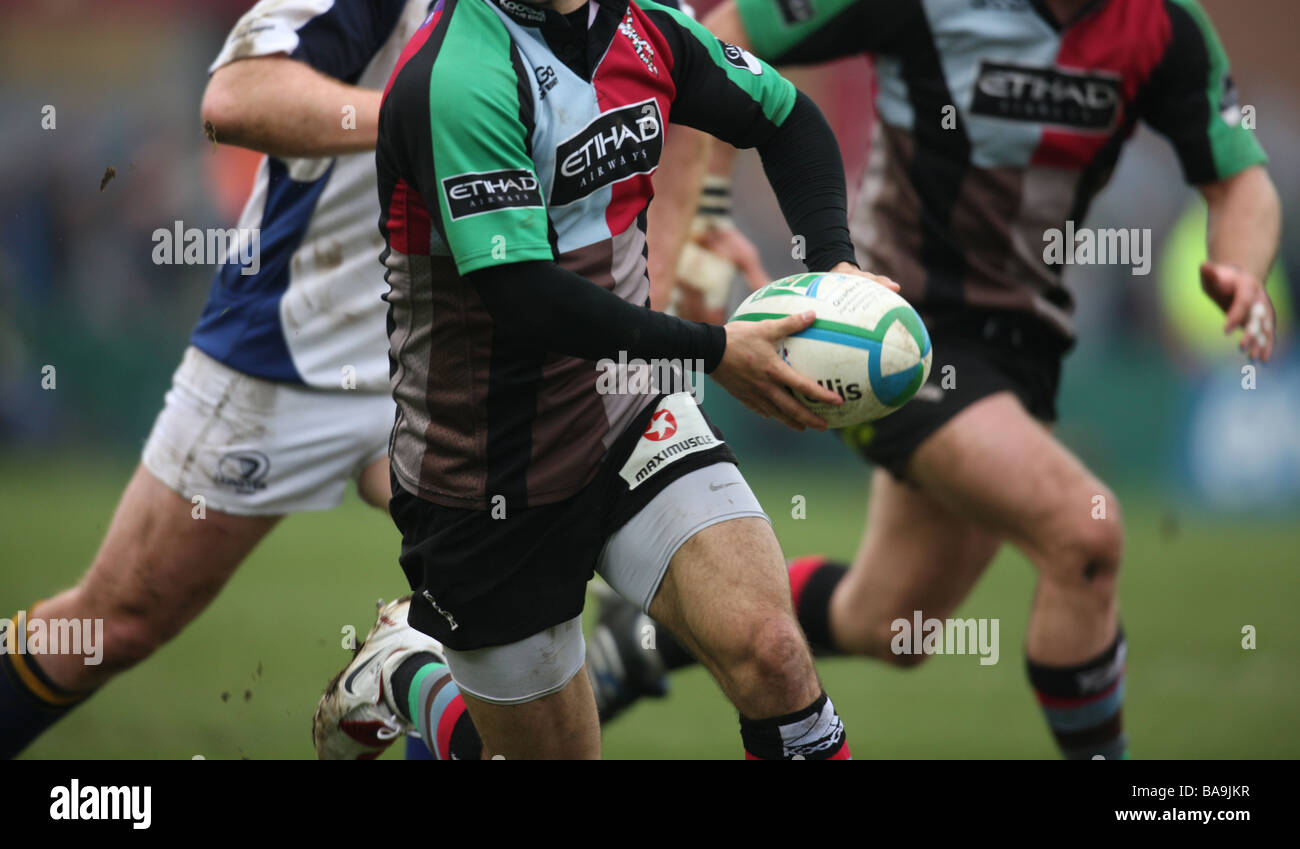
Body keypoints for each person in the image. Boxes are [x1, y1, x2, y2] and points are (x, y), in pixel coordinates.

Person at [0, 0, 690, 761]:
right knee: (111, 623)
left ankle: (412, 669)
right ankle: (410, 669)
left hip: (467, 359)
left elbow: (689, 64)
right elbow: (237, 97)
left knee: (501, 627)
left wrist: (700, 223)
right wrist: (430, 105)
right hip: (298, 350)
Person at [590, 0, 1281, 759]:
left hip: (1026, 351)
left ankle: (646, 640)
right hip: (894, 336)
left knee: (890, 621)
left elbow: (1239, 177)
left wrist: (1243, 268)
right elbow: (725, 37)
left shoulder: (1162, 27)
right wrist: (707, 210)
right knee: (1084, 534)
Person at [313, 0, 904, 760]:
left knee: (773, 653)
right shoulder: (455, 75)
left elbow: (788, 120)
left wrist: (835, 270)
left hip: (631, 412)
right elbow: (528, 299)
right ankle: (409, 671)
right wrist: (717, 350)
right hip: (489, 470)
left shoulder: (644, 25)